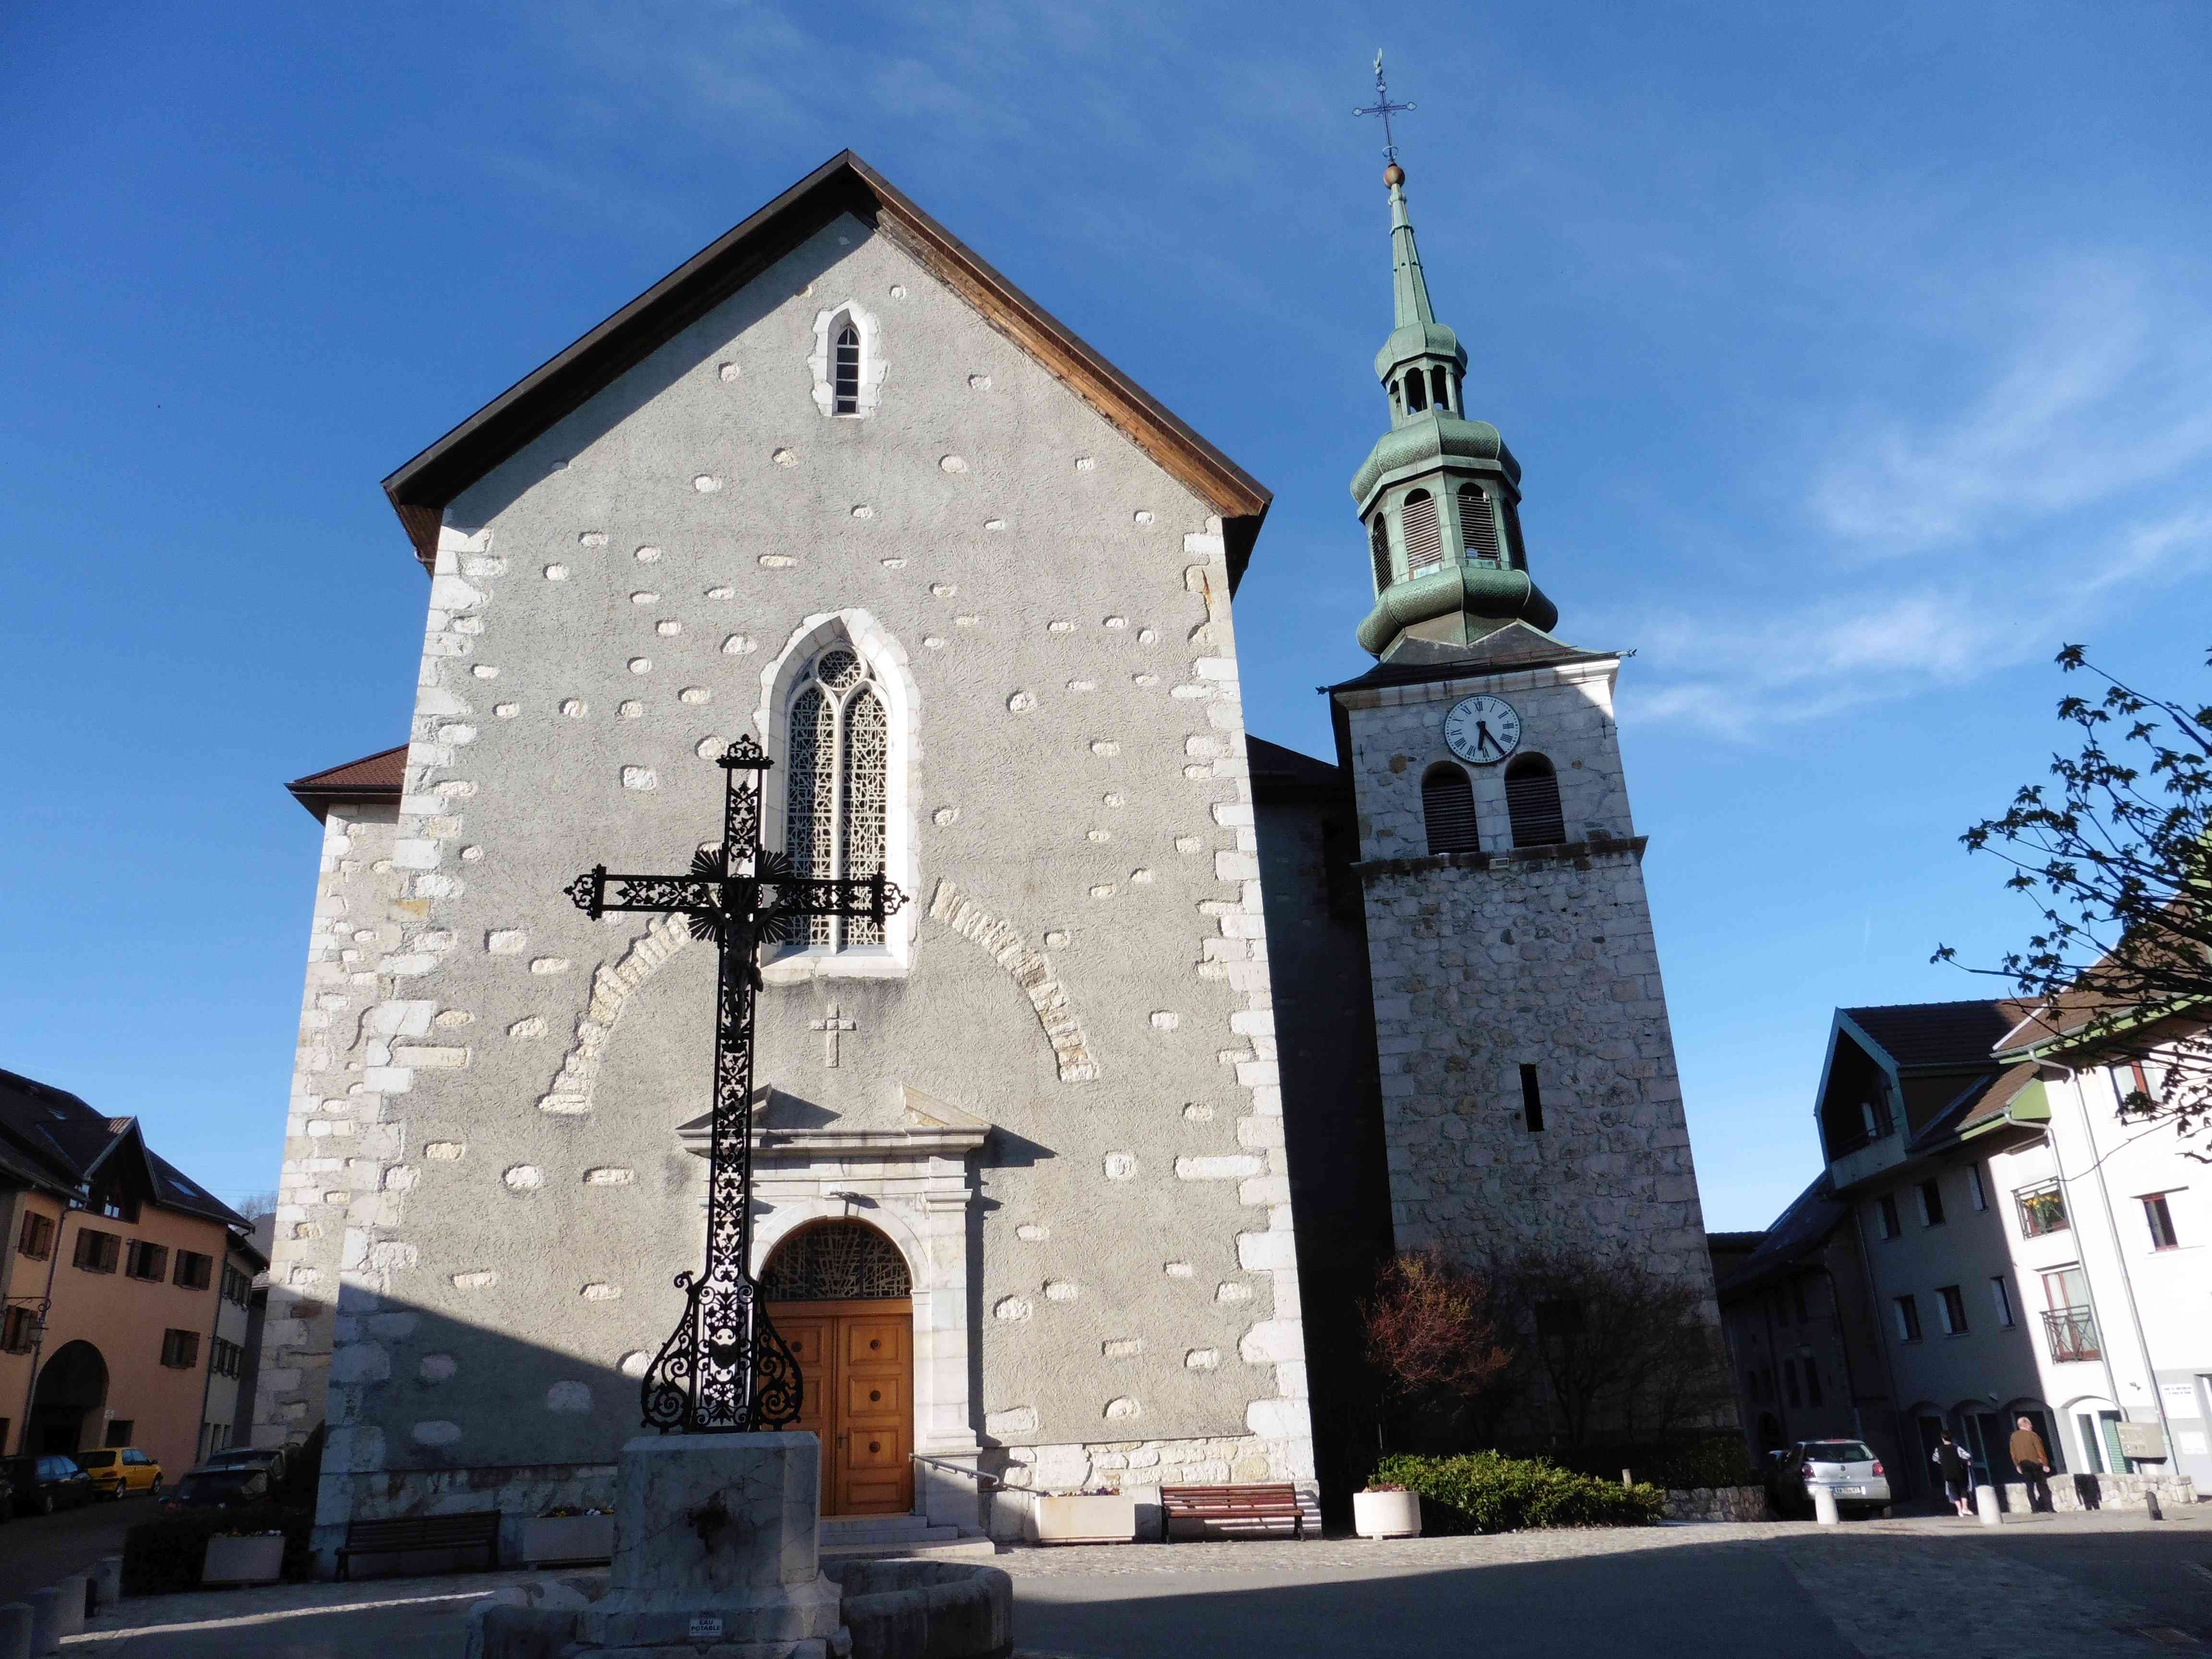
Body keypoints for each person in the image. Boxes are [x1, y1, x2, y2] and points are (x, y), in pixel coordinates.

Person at [2009, 1416, 2054, 1513]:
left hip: (2023, 1464)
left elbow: (2013, 1453)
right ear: (2026, 1424)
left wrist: (2017, 1465)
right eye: (2030, 1424)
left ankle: (2034, 1509)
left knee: (2029, 1487)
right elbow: (2040, 1450)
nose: (2031, 1426)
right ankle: (2049, 1508)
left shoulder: (2014, 1436)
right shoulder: (2033, 1435)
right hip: (2035, 1463)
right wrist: (2045, 1464)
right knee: (2042, 1485)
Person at [1932, 1430, 1975, 1517]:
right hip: (1959, 1472)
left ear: (1943, 1439)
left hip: (1948, 1473)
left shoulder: (1939, 1449)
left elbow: (1935, 1459)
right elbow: (1967, 1456)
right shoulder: (1956, 1448)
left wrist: (1942, 1462)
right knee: (1963, 1489)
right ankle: (1965, 1508)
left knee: (1954, 1491)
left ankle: (1960, 1511)